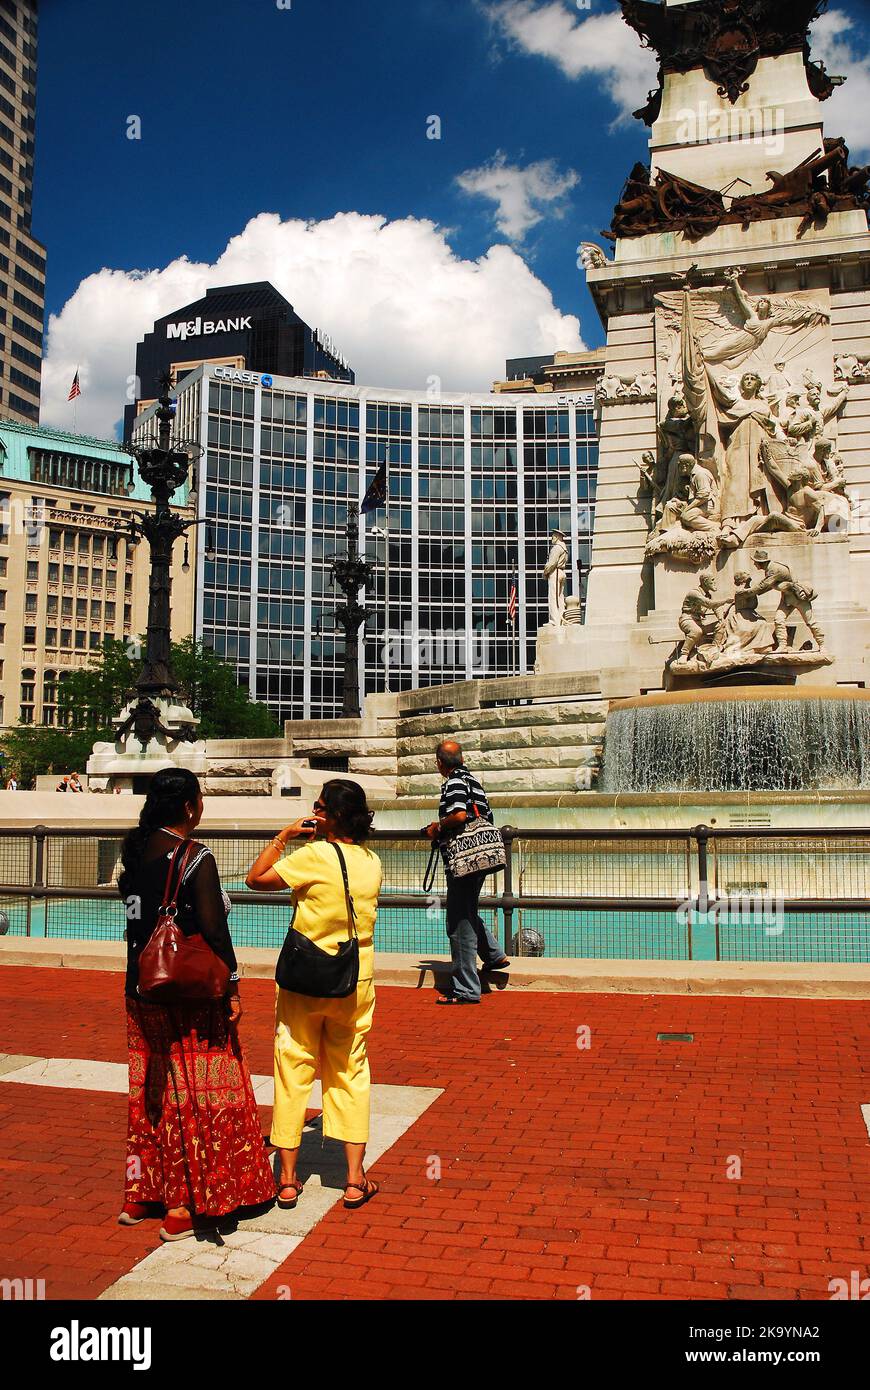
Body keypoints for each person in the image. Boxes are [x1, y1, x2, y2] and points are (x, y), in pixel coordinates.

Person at [117, 768, 274, 1242]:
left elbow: (135, 915)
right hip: (189, 991)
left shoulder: (136, 849)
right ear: (189, 807)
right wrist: (232, 983)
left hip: (141, 985)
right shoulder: (194, 856)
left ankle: (141, 1192)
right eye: (199, 799)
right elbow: (212, 928)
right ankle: (185, 1204)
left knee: (152, 1088)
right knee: (197, 1093)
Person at [245, 780, 383, 1211]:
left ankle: (287, 1180)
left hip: (305, 980)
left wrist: (284, 836)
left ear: (335, 815)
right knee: (350, 1072)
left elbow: (256, 879)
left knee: (293, 1068)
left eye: (320, 807)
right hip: (354, 980)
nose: (315, 812)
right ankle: (355, 1178)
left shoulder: (313, 855)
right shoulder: (371, 861)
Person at [425, 740, 509, 1005]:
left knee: (459, 921)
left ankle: (466, 989)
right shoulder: (474, 780)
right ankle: (494, 955)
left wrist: (438, 826)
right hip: (481, 856)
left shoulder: (453, 783)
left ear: (440, 763)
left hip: (463, 859)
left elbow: (459, 815)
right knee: (467, 909)